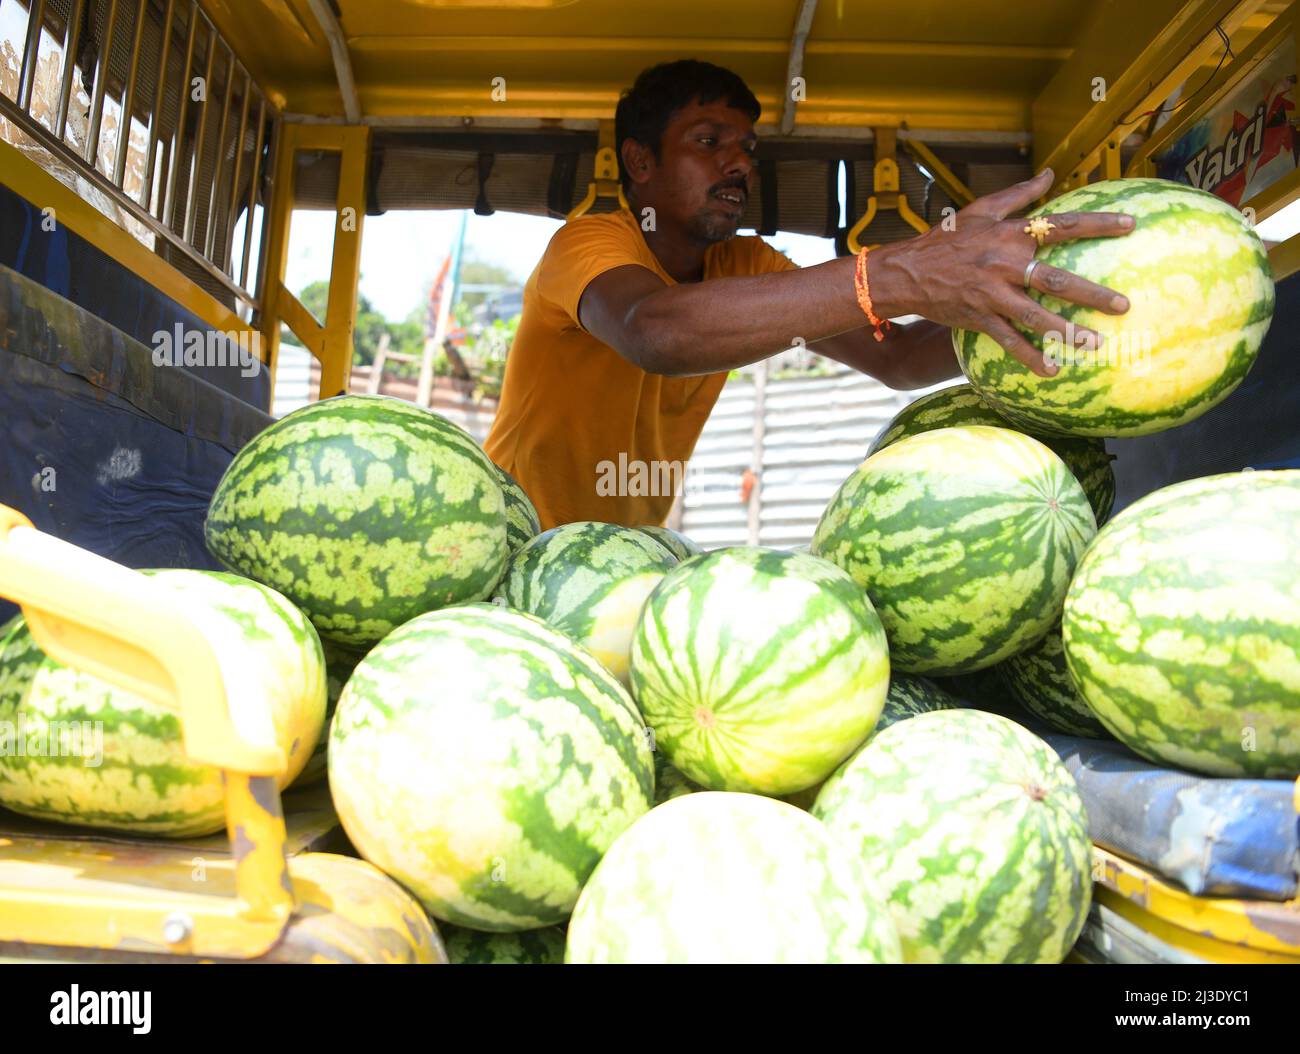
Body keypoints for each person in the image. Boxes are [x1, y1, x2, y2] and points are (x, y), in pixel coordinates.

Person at [484, 60, 1133, 530]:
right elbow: (654, 331)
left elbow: (901, 360)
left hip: (620, 558)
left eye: (746, 148)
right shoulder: (589, 243)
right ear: (640, 161)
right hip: (510, 542)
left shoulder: (745, 262)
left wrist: (1038, 306)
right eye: (708, 142)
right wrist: (902, 271)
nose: (738, 163)